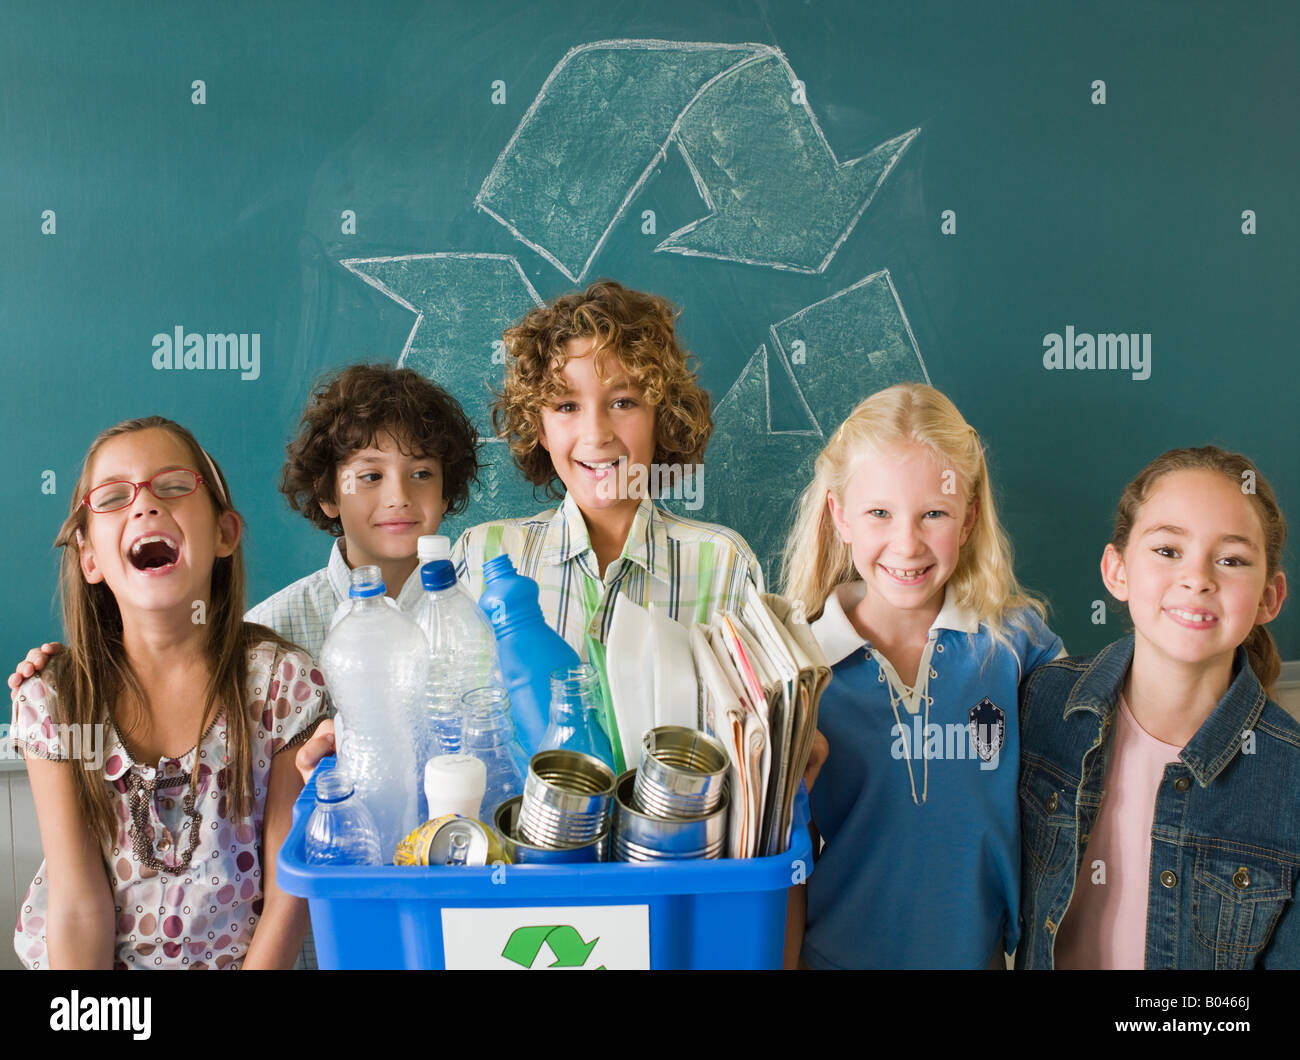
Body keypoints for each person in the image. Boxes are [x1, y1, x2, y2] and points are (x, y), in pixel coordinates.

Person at [9, 417, 325, 968]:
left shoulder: (281, 687)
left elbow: (287, 895)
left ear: (225, 534)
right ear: (89, 558)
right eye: (112, 497)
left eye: (174, 486)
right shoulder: (56, 705)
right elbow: (79, 908)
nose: (145, 506)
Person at [782, 383, 1064, 969]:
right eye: (880, 513)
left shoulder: (1018, 648)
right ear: (841, 516)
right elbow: (777, 857)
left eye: (933, 513)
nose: (906, 544)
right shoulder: (799, 663)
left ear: (969, 518)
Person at [1017, 446, 1296, 969]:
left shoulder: (1291, 781)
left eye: (1231, 560)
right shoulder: (1042, 704)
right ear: (1116, 571)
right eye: (1168, 550)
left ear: (1269, 598)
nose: (1197, 579)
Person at [450, 280, 763, 651]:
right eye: (567, 407)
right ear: (541, 430)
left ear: (659, 419)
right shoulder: (481, 556)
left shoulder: (725, 564)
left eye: (623, 403)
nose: (596, 435)